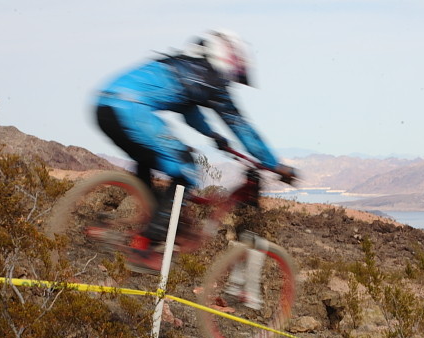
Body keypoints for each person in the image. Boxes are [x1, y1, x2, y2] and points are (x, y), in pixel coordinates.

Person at [94, 29, 297, 272]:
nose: (230, 80)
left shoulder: (184, 67)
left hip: (104, 108)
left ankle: (140, 219)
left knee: (150, 158)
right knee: (186, 167)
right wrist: (274, 164)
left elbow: (190, 111)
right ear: (228, 58)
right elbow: (241, 127)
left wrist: (214, 136)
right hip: (132, 110)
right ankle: (147, 244)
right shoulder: (210, 78)